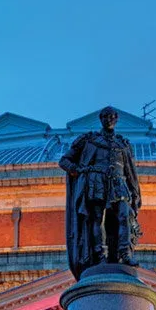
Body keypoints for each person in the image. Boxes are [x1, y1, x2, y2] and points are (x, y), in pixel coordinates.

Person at [58, 105, 141, 278]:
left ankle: (125, 255)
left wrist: (135, 193)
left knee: (124, 215)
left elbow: (130, 172)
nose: (108, 120)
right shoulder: (88, 140)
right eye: (105, 117)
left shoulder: (123, 144)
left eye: (111, 117)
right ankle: (99, 257)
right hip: (96, 182)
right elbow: (64, 160)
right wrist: (78, 170)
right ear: (101, 119)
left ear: (116, 119)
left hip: (118, 183)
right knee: (97, 219)